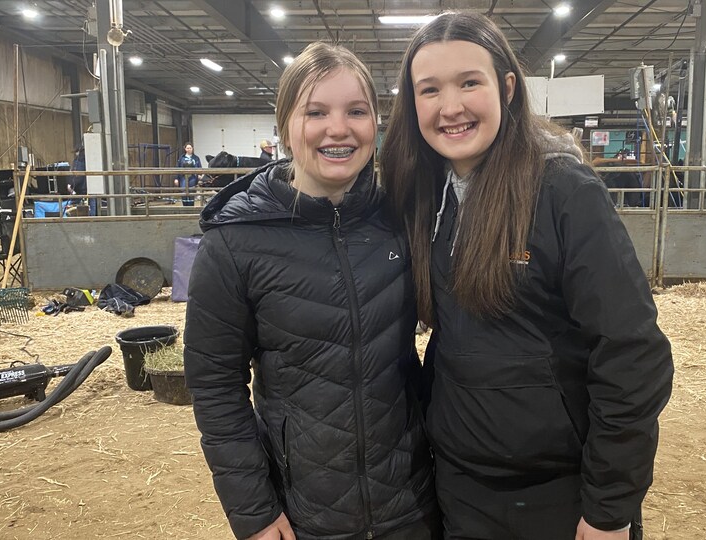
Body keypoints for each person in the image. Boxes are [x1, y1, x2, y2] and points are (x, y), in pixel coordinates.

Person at [380, 12, 673, 540]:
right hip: (460, 487)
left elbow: (633, 352)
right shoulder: (423, 195)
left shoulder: (564, 192)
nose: (451, 107)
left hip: (560, 492)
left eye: (470, 82)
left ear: (508, 87)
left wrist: (609, 507)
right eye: (430, 90)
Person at [184, 41, 436, 540]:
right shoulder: (234, 242)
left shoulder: (401, 220)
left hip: (413, 504)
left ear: (375, 125)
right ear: (284, 127)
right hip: (306, 514)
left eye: (356, 111)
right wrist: (254, 511)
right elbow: (215, 385)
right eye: (315, 112)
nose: (338, 129)